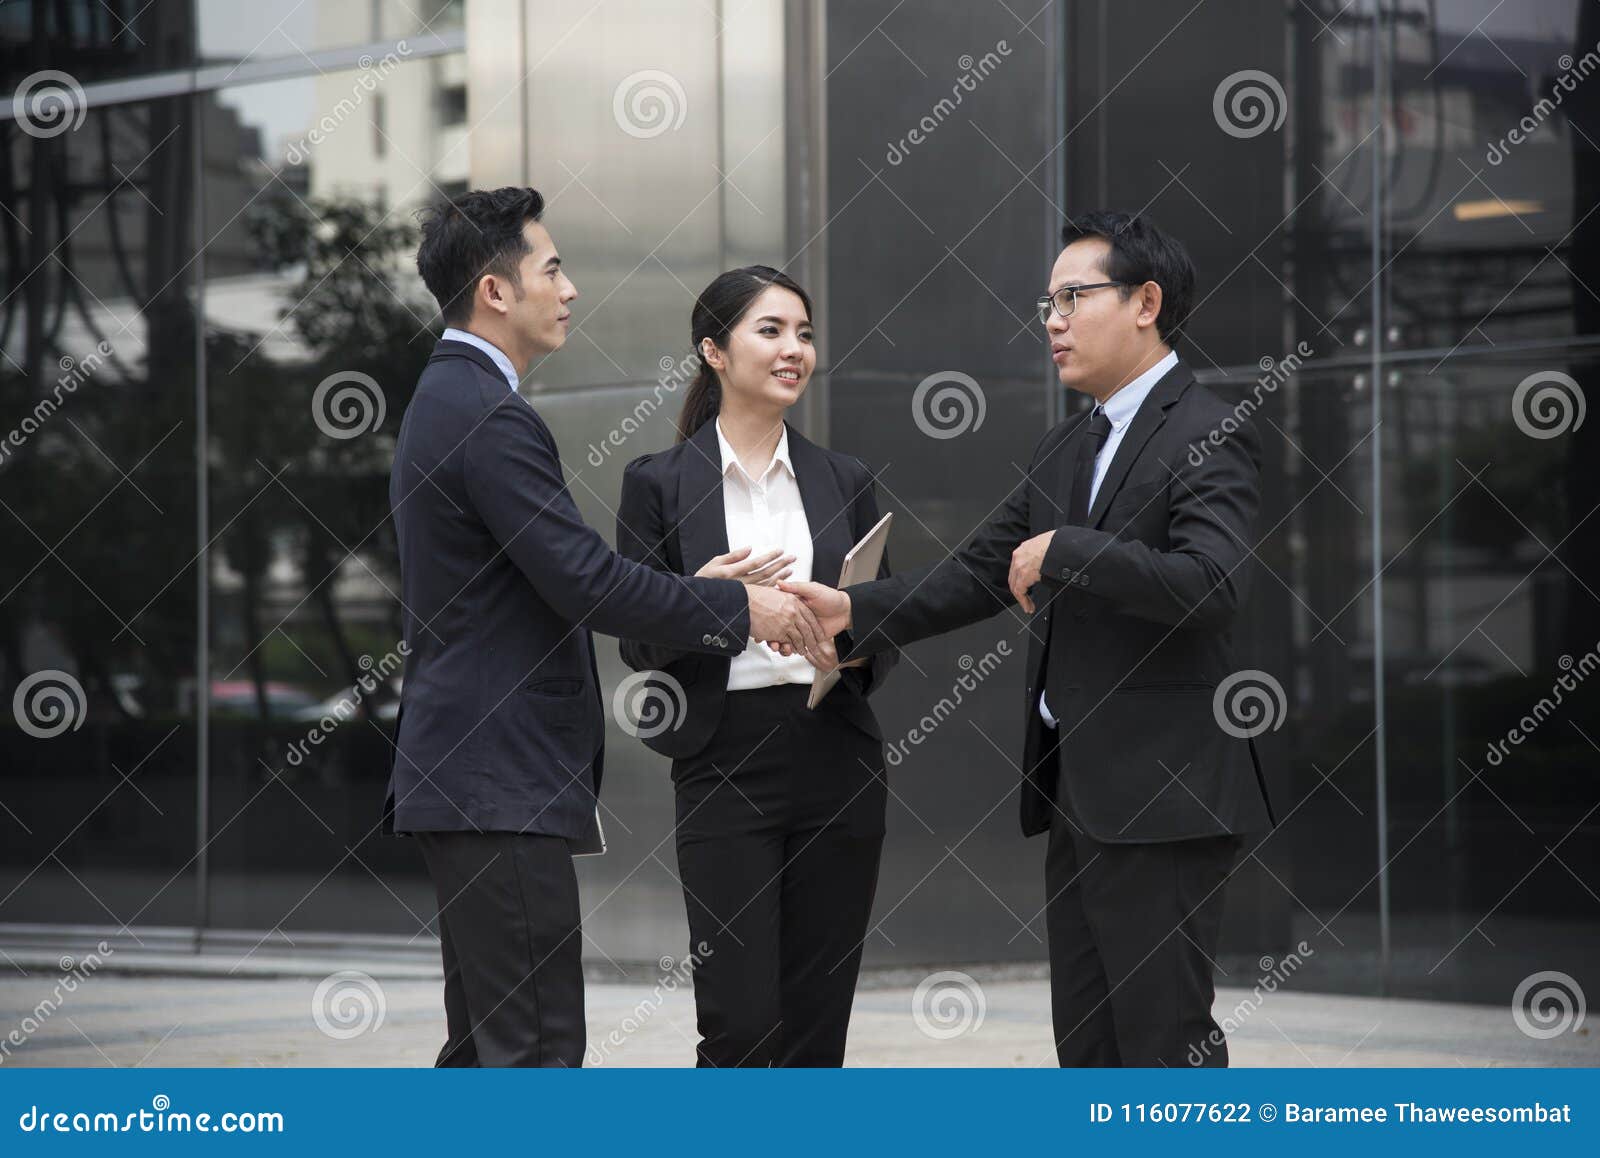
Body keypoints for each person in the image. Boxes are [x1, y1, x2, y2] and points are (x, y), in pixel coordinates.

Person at [782, 212, 1276, 1067]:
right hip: (1078, 795)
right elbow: (979, 572)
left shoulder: (1208, 431)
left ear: (1145, 303)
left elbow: (1213, 586)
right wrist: (852, 612)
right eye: (1045, 302)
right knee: (1085, 1048)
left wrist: (1071, 551)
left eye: (1071, 298)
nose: (1051, 319)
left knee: (1164, 1045)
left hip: (1164, 801)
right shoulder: (1067, 446)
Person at [384, 189, 826, 1068]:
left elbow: (560, 580)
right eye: (552, 269)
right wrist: (743, 609)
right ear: (495, 291)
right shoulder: (486, 414)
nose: (571, 289)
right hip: (495, 775)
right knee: (537, 1054)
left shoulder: (455, 397)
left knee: (484, 1053)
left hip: (475, 778)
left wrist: (686, 590)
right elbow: (585, 582)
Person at [614, 266, 898, 1066]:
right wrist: (700, 601)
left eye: (804, 333)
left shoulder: (846, 478)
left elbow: (882, 629)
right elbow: (636, 644)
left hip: (835, 747)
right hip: (723, 758)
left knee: (817, 1027)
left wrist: (853, 634)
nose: (794, 349)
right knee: (738, 1024)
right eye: (770, 331)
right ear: (713, 350)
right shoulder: (657, 485)